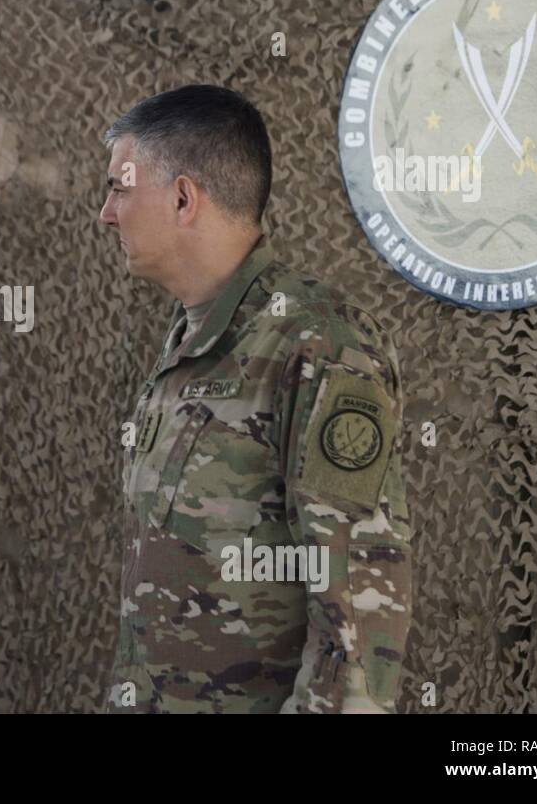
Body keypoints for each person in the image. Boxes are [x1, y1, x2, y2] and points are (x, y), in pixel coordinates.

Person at [98, 85, 413, 713]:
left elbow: (357, 614)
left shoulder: (319, 345)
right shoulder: (195, 337)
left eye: (119, 189)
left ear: (183, 198)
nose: (106, 213)